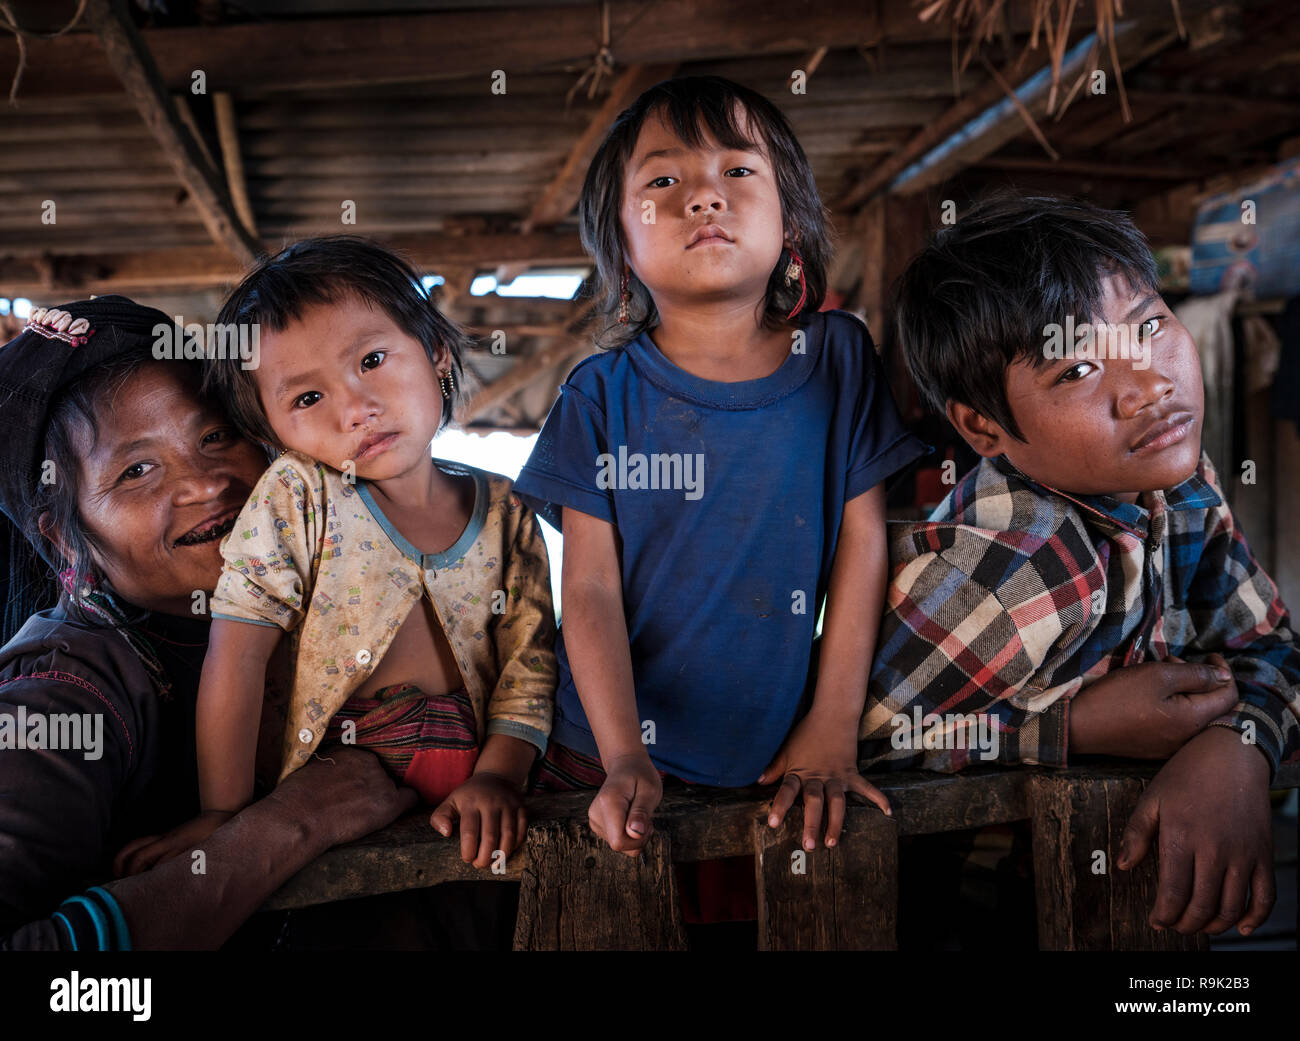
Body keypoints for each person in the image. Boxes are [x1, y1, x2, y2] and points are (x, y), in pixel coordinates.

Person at [860, 192, 1300, 937]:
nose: (1150, 386)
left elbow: (1270, 645)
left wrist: (1240, 745)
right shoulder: (1017, 564)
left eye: (1150, 325)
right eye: (1079, 368)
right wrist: (1071, 726)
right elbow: (873, 736)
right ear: (983, 426)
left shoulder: (1184, 488)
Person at [513, 75, 928, 861]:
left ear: (791, 223)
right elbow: (590, 589)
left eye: (739, 172)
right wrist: (623, 751)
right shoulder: (599, 395)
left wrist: (834, 724)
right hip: (596, 759)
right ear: (622, 247)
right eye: (663, 181)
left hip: (786, 757)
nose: (702, 198)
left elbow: (861, 543)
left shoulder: (837, 357)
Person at [121, 237, 558, 875]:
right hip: (336, 790)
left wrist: (497, 777)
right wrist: (223, 811)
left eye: (373, 358)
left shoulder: (507, 510)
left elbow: (528, 666)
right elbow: (237, 659)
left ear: (435, 352)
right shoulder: (298, 498)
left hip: (479, 789)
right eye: (306, 398)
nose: (355, 408)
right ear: (274, 433)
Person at [0, 296, 417, 950]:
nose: (206, 484)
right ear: (64, 539)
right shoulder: (61, 694)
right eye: (137, 470)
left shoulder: (323, 601)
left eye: (216, 436)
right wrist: (288, 826)